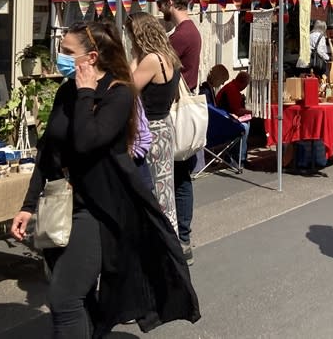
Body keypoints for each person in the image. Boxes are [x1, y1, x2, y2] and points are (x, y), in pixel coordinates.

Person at [11, 20, 199, 337]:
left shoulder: (118, 94)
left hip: (99, 211)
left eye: (68, 51)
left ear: (93, 57)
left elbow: (86, 142)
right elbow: (48, 150)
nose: (61, 56)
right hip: (61, 203)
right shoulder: (66, 91)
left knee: (63, 297)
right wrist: (28, 205)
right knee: (80, 298)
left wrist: (85, 94)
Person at [125, 12, 181, 235]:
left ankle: (161, 244)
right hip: (164, 127)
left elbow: (127, 89)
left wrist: (134, 58)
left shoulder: (150, 60)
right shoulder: (170, 56)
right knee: (165, 192)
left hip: (150, 131)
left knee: (153, 191)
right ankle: (171, 240)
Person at [160, 0, 202, 265]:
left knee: (178, 176)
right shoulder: (189, 31)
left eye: (161, 2)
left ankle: (181, 237)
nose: (159, 7)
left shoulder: (182, 34)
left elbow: (160, 63)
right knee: (181, 176)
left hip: (176, 109)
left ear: (171, 2)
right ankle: (181, 235)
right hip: (179, 106)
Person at [216, 70, 252, 167]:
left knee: (246, 123)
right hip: (225, 121)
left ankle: (238, 154)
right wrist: (253, 112)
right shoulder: (232, 90)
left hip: (223, 118)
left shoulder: (231, 87)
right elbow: (237, 111)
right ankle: (240, 157)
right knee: (245, 126)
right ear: (243, 83)